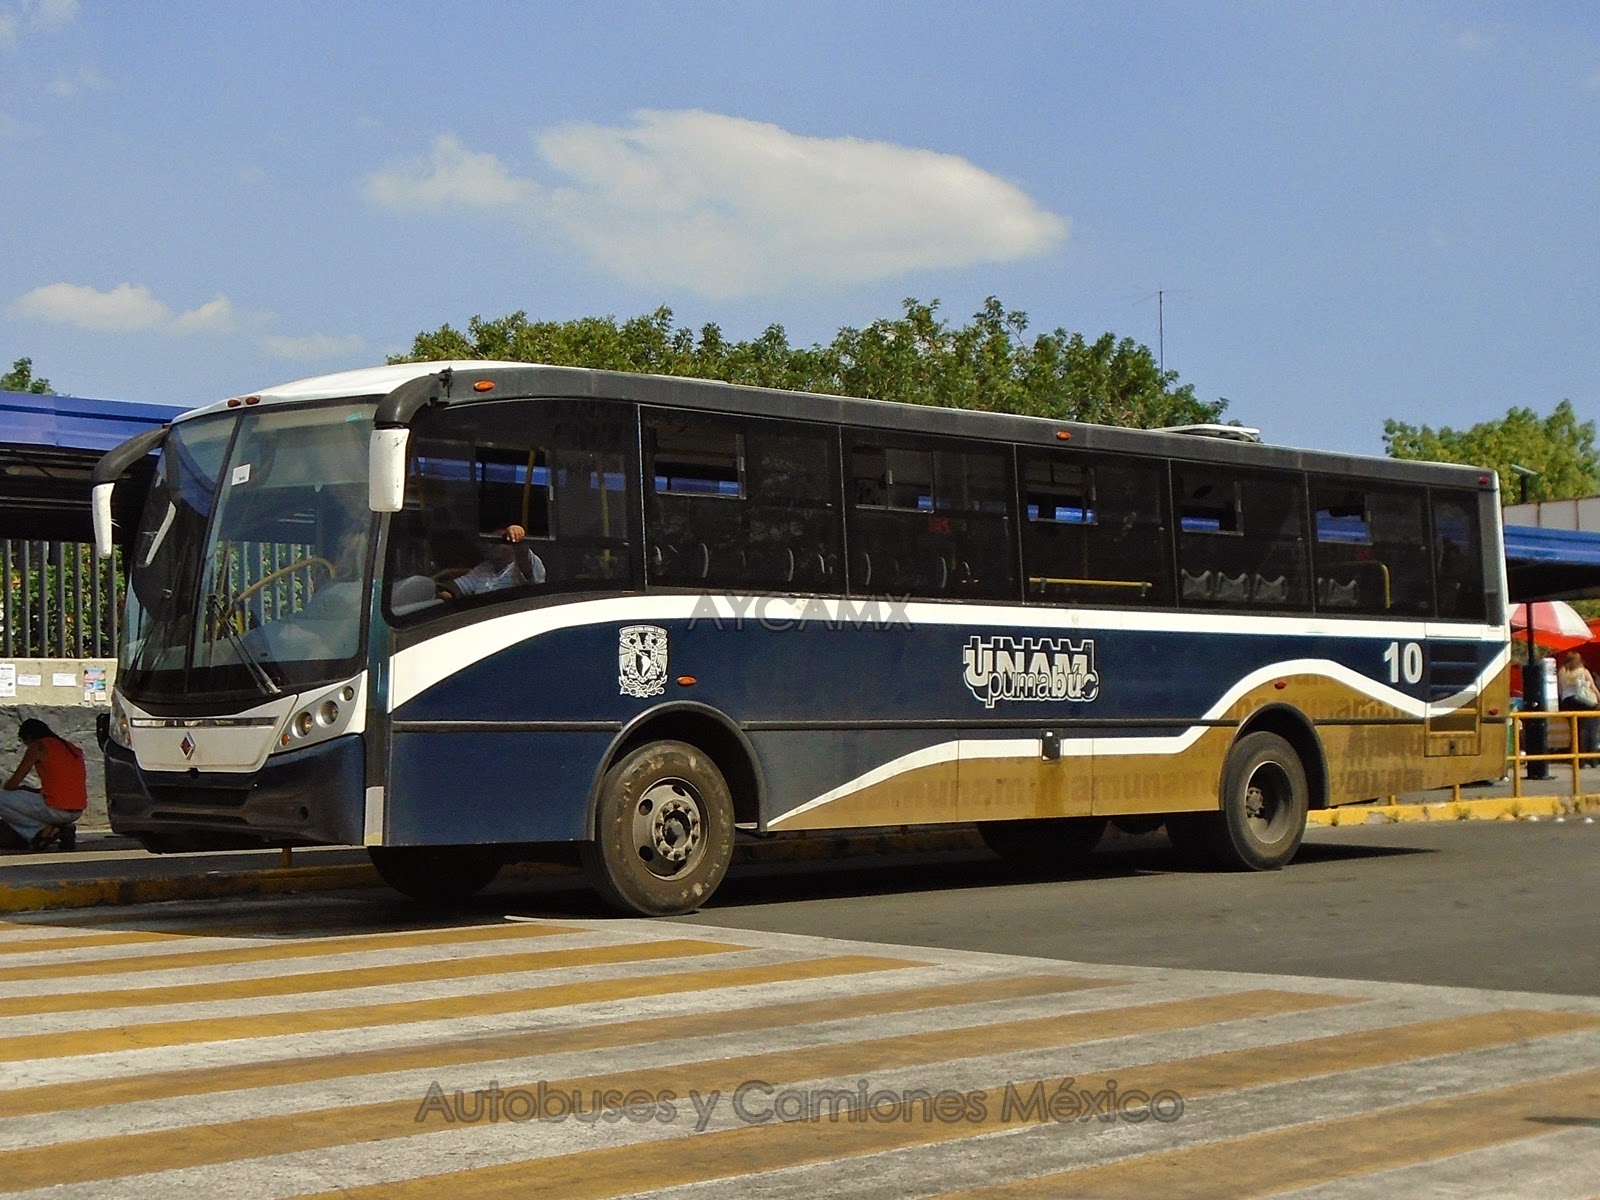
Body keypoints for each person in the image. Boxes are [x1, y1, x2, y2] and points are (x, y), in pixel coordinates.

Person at [0, 719, 87, 851]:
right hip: (77, 810)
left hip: (55, 809)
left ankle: (41, 832)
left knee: (2, 799)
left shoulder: (38, 746)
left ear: (29, 737)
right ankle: (61, 827)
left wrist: (14, 789)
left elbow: (13, 783)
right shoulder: (71, 748)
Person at [438, 523, 545, 599]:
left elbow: (524, 559)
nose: (492, 546)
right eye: (491, 542)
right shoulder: (485, 568)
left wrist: (516, 534)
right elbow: (457, 587)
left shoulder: (521, 567)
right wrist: (445, 594)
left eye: (500, 541)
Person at [1556, 651, 1600, 762]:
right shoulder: (1584, 671)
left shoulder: (1562, 672)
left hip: (1567, 702)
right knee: (1589, 728)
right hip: (1584, 702)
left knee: (1575, 730)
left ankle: (1576, 757)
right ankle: (1590, 757)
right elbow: (1593, 688)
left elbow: (1560, 690)